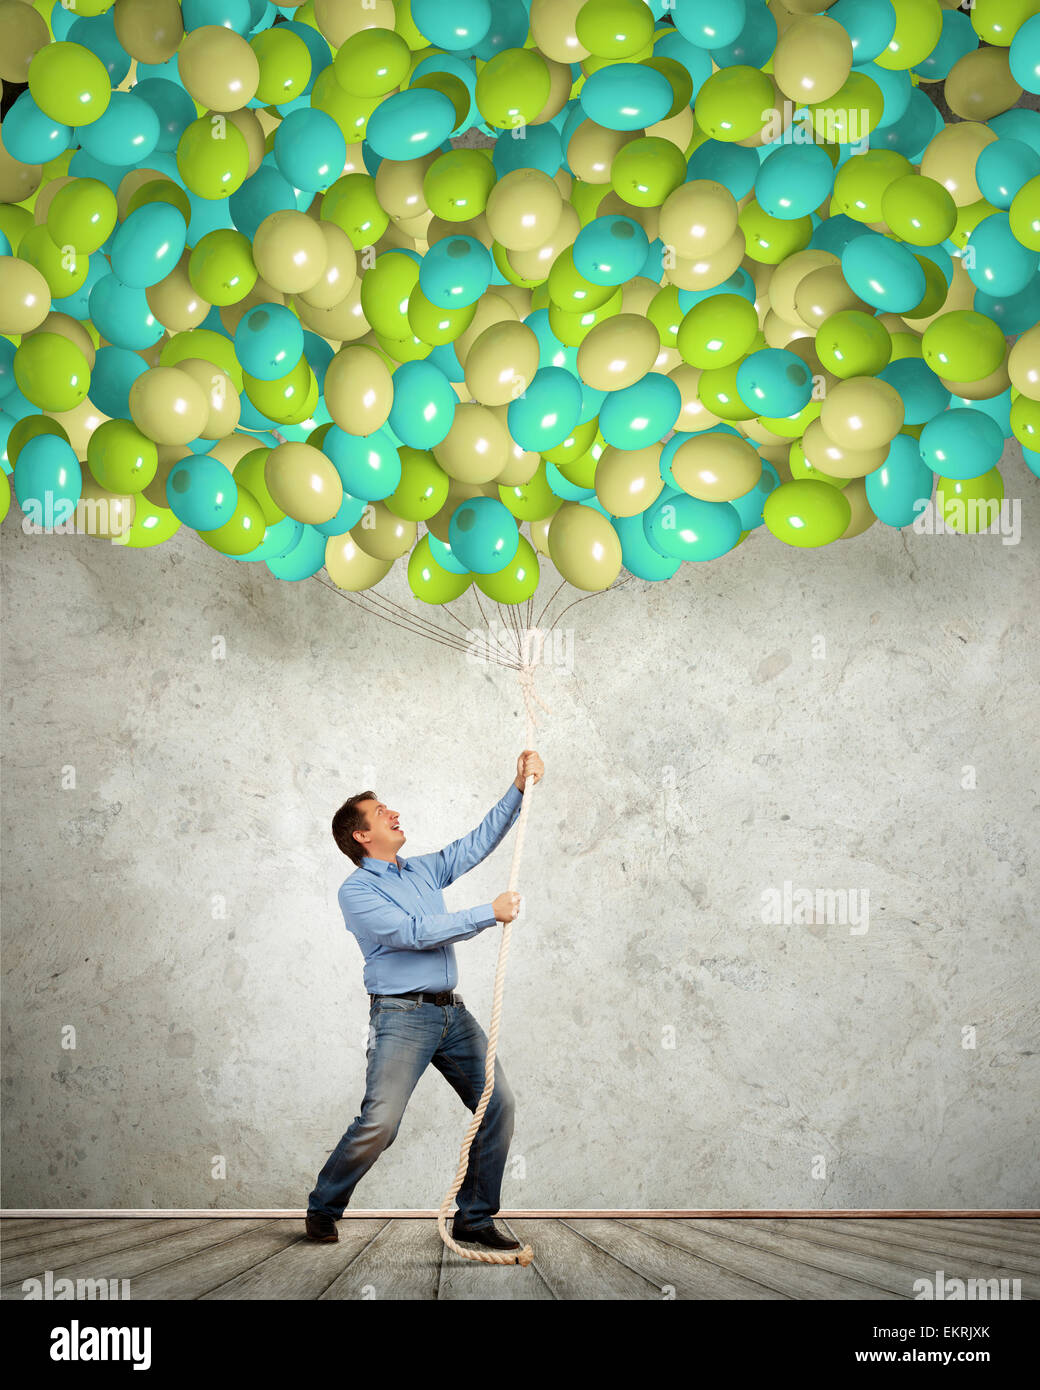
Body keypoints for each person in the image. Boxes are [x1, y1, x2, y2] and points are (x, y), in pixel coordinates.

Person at [304, 750, 545, 1251]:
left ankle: (474, 1219)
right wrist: (486, 913)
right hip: (400, 1017)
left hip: (452, 1014)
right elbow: (411, 932)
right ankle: (324, 1206)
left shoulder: (422, 871)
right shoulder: (356, 891)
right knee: (381, 1123)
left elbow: (476, 843)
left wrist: (518, 787)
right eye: (381, 812)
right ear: (361, 835)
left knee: (498, 1103)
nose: (394, 814)